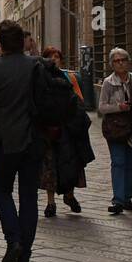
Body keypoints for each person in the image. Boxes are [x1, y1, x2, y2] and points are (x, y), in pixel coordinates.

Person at [0, 20, 43, 262]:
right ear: (22, 42)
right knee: (29, 196)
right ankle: (25, 254)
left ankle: (13, 239)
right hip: (32, 140)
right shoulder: (36, 65)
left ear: (2, 44)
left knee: (2, 191)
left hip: (4, 143)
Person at [38, 47, 93, 217]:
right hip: (48, 130)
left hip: (67, 129)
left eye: (56, 57)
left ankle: (69, 195)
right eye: (50, 57)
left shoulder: (70, 77)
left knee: (70, 164)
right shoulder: (40, 78)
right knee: (49, 167)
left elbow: (79, 100)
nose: (54, 60)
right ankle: (50, 203)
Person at [97, 47, 132, 215]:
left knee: (130, 164)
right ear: (112, 64)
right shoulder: (108, 82)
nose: (121, 63)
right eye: (117, 61)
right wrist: (119, 107)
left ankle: (127, 198)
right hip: (116, 129)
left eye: (123, 59)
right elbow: (102, 107)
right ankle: (118, 200)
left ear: (128, 61)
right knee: (118, 162)